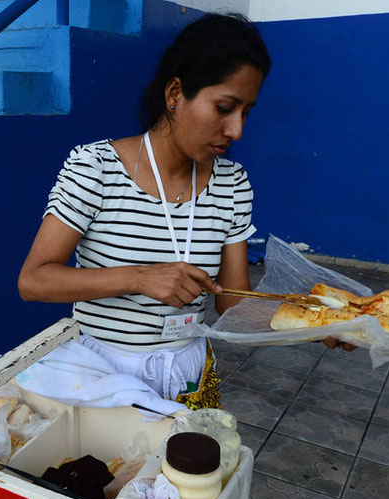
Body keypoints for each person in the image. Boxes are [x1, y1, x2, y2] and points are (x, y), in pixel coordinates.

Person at [16, 14, 272, 413]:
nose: (236, 129)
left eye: (246, 112)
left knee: (185, 455)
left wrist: (319, 322)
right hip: (101, 376)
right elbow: (33, 281)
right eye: (224, 107)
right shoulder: (96, 168)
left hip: (189, 375)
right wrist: (139, 277)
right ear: (175, 94)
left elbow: (233, 302)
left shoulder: (232, 183)